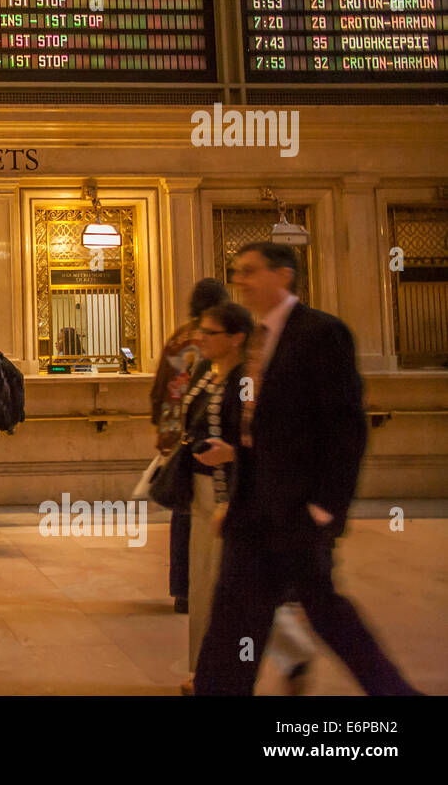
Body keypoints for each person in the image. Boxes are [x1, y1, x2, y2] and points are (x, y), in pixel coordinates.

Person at [195, 242, 421, 696]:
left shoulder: (320, 333)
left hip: (298, 512)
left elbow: (344, 430)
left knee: (326, 612)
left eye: (250, 271)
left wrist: (325, 507)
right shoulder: (257, 341)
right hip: (254, 512)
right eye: (237, 271)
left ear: (283, 276)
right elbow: (260, 431)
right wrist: (236, 477)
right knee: (235, 617)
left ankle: (394, 692)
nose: (240, 280)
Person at [178, 300, 251, 692]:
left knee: (232, 588)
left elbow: (273, 440)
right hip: (203, 489)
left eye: (210, 333)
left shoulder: (248, 379)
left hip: (234, 492)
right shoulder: (207, 372)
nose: (200, 338)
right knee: (204, 585)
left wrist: (234, 453)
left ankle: (288, 653)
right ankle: (203, 671)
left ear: (236, 338)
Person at [151, 278, 229, 614]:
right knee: (217, 508)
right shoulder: (224, 339)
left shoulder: (180, 338)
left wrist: (164, 431)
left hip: (175, 436)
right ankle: (214, 583)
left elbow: (159, 387)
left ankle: (182, 589)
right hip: (211, 436)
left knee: (183, 510)